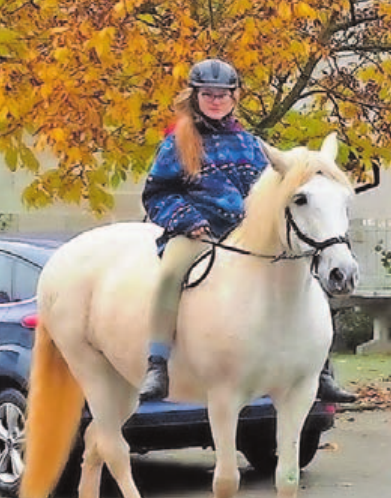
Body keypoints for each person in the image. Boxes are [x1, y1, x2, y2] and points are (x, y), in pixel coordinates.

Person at [137, 58, 356, 405]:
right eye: (208, 94)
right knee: (170, 274)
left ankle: (321, 369)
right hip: (199, 232)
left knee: (303, 275)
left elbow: (272, 192)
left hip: (248, 236)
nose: (216, 101)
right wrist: (187, 220)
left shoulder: (251, 143)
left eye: (222, 94)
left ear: (234, 97)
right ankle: (158, 364)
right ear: (195, 97)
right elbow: (157, 194)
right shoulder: (176, 144)